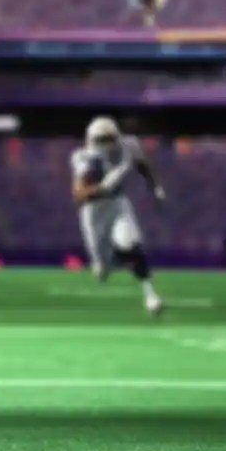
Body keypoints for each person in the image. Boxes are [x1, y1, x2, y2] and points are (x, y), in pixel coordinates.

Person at [70, 116, 166, 315]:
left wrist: (155, 187)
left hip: (117, 204)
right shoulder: (84, 158)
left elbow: (142, 164)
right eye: (100, 140)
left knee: (130, 242)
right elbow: (78, 195)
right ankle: (110, 262)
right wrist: (101, 188)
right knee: (102, 269)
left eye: (108, 139)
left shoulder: (128, 145)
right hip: (93, 212)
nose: (105, 145)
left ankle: (150, 294)